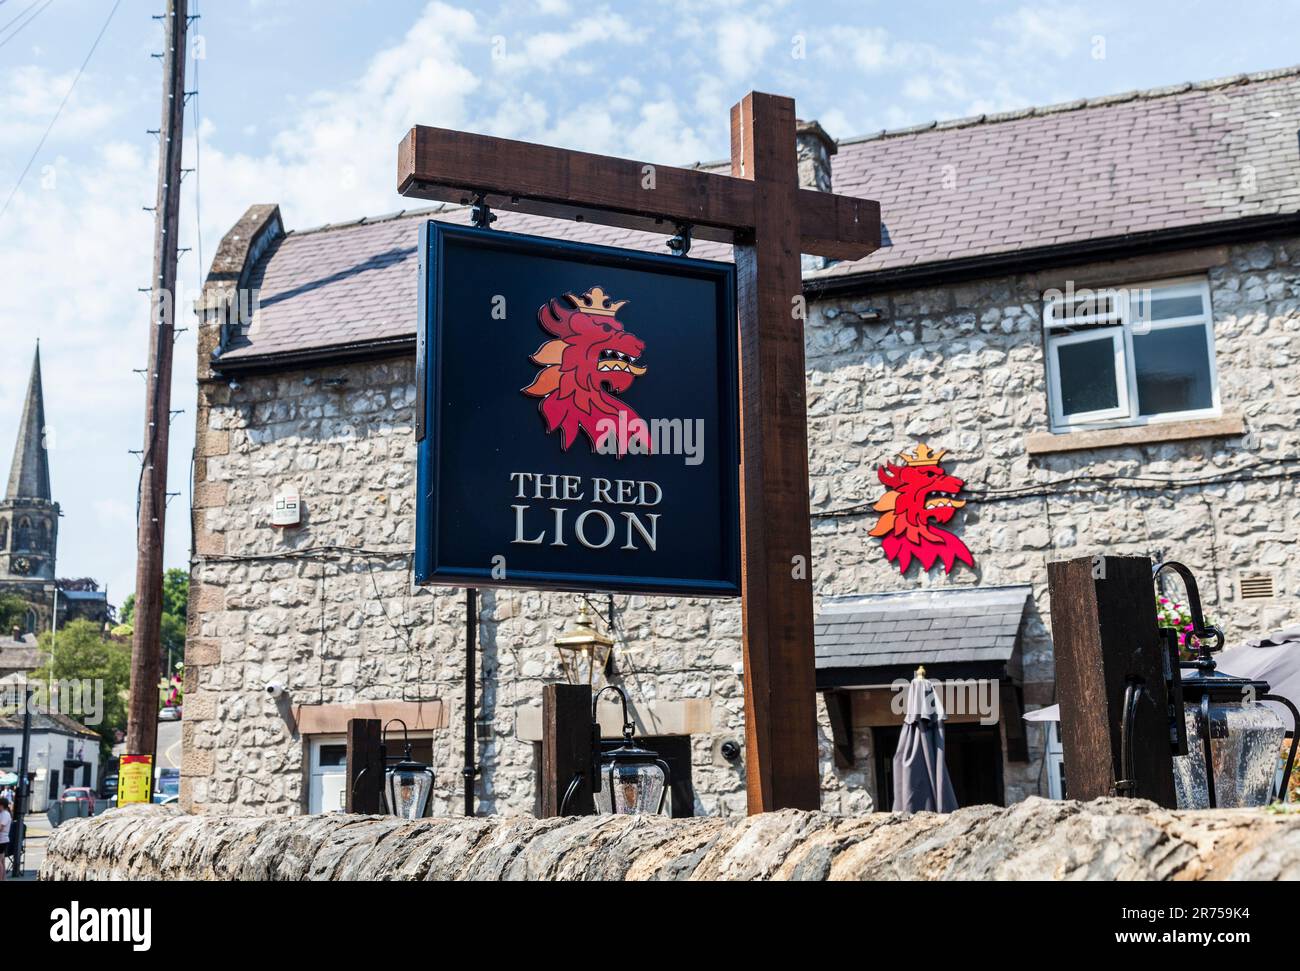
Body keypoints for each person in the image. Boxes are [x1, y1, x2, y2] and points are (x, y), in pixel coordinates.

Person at [0, 797, 11, 881]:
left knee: (0, 861)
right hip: (3, 839)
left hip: (2, 840)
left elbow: (1, 827)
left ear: (2, 805)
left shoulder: (5, 814)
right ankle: (3, 879)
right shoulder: (3, 813)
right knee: (2, 861)